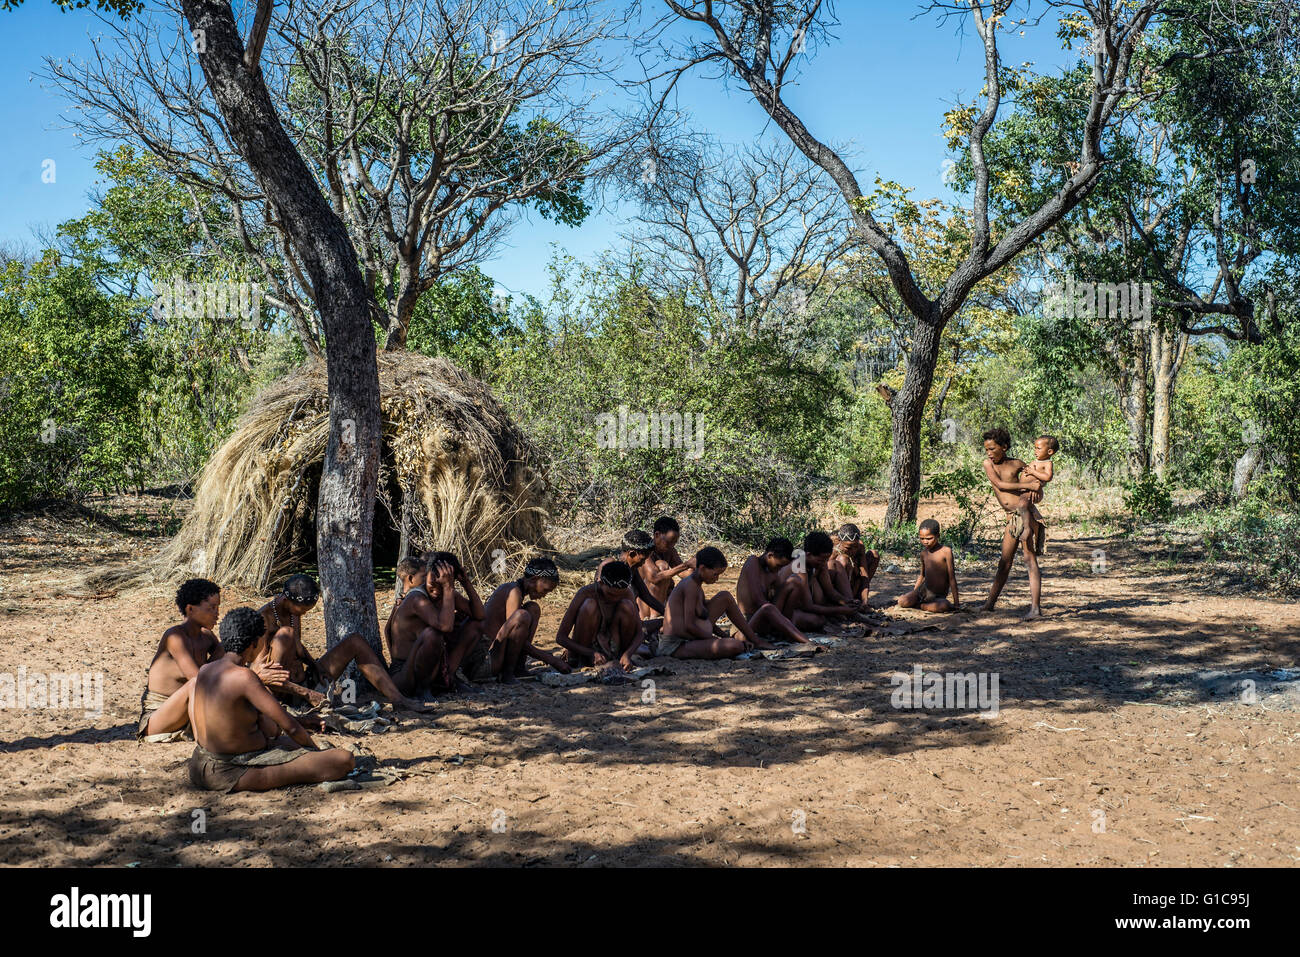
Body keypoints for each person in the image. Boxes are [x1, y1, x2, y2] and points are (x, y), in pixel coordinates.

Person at [186, 606, 354, 793]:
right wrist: (314, 751)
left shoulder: (205, 670)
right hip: (231, 772)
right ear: (255, 643)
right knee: (343, 760)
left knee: (288, 743)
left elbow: (245, 719)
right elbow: (291, 728)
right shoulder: (244, 677)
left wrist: (302, 721)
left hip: (199, 765)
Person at [257, 573, 427, 711]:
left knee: (355, 641)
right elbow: (264, 675)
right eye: (301, 611)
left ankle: (398, 699)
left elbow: (298, 648)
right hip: (284, 694)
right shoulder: (264, 619)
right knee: (286, 634)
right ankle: (298, 701)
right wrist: (307, 694)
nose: (303, 615)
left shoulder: (292, 612)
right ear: (286, 600)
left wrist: (315, 667)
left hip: (305, 683)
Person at [659, 547, 777, 659]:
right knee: (736, 646)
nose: (717, 579)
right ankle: (749, 641)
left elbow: (701, 619)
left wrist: (724, 637)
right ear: (702, 568)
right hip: (676, 645)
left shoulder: (696, 586)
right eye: (715, 574)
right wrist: (711, 639)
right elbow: (689, 625)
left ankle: (755, 640)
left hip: (693, 637)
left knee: (725, 596)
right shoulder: (690, 586)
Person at [979, 428, 1046, 619]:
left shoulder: (1017, 464)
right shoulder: (988, 464)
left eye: (992, 449)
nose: (989, 453)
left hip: (1025, 516)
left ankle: (1035, 608)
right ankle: (989, 604)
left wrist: (1035, 490)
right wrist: (1027, 486)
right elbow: (1000, 485)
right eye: (987, 450)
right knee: (1004, 562)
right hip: (1011, 518)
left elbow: (1037, 482)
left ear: (1004, 447)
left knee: (1029, 558)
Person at [477, 557, 571, 681]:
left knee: (533, 608)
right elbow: (514, 636)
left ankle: (518, 668)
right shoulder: (513, 592)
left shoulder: (517, 590)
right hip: (486, 661)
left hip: (495, 656)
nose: (544, 595)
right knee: (522, 616)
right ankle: (508, 673)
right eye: (545, 590)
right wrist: (550, 659)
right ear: (534, 579)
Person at [555, 561, 642, 671]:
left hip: (615, 647)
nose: (615, 599)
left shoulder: (627, 593)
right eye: (611, 594)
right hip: (587, 650)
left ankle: (620, 658)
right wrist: (591, 653)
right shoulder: (586, 593)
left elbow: (639, 633)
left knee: (628, 605)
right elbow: (560, 638)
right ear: (600, 583)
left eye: (619, 595)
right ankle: (583, 660)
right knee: (589, 605)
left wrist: (627, 654)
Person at [774, 531, 860, 632]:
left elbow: (830, 592)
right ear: (809, 554)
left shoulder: (819, 563)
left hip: (806, 605)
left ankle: (853, 614)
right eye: (821, 560)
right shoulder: (799, 566)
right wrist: (840, 610)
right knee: (817, 620)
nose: (824, 563)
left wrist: (847, 601)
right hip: (788, 610)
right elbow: (808, 606)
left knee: (835, 565)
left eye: (825, 559)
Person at [736, 538, 810, 643]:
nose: (779, 570)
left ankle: (784, 632)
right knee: (768, 607)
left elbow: (781, 595)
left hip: (767, 618)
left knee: (795, 582)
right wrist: (781, 620)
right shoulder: (753, 562)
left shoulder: (772, 572)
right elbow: (758, 600)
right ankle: (806, 641)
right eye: (779, 566)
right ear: (770, 555)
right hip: (750, 620)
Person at [896, 519, 960, 612]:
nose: (925, 542)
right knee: (902, 601)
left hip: (938, 596)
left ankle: (921, 606)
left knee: (944, 606)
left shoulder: (946, 551)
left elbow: (952, 578)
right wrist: (915, 592)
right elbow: (922, 575)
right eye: (922, 538)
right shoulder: (923, 553)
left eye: (929, 538)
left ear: (938, 536)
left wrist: (956, 603)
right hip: (922, 591)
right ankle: (921, 604)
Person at [637, 516, 694, 619]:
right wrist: (686, 565)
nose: (671, 546)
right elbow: (654, 577)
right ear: (657, 535)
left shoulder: (670, 551)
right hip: (644, 605)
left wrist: (698, 566)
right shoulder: (645, 550)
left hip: (664, 600)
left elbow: (684, 574)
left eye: (674, 543)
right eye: (669, 542)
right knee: (662, 566)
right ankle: (656, 617)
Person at [1015, 435, 1058, 554]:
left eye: (1038, 448)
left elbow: (1048, 477)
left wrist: (1033, 473)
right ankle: (1037, 525)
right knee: (1024, 508)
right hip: (1025, 490)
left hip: (1033, 492)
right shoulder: (1035, 461)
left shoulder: (1047, 463)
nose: (1035, 451)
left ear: (1049, 451)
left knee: (1022, 505)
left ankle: (1028, 530)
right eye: (1035, 448)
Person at [828, 523, 881, 606]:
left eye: (855, 546)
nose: (853, 550)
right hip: (838, 591)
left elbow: (864, 576)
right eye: (848, 548)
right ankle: (847, 602)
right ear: (840, 542)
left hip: (854, 586)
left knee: (874, 554)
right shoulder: (833, 551)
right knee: (843, 559)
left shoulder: (860, 547)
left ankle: (858, 599)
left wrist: (865, 601)